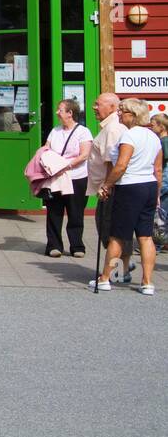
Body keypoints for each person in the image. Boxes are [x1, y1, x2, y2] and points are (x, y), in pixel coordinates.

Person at [92, 99, 162, 295]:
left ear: (133, 115)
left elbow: (121, 165)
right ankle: (147, 282)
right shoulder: (153, 137)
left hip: (129, 187)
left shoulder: (129, 136)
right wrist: (156, 194)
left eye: (123, 112)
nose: (120, 115)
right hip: (148, 186)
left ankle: (105, 278)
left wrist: (107, 185)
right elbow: (157, 169)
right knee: (145, 236)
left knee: (118, 236)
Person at [88, 92, 134, 282]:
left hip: (110, 188)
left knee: (109, 229)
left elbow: (111, 162)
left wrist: (106, 187)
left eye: (98, 104)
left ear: (112, 107)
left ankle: (113, 271)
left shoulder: (113, 129)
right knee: (116, 228)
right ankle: (124, 267)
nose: (94, 107)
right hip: (111, 186)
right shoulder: (110, 127)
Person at [40, 98, 93, 258]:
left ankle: (77, 246)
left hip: (76, 177)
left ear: (70, 113)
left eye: (60, 110)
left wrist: (65, 165)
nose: (57, 112)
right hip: (56, 177)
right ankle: (54, 245)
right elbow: (46, 148)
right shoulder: (55, 131)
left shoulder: (83, 132)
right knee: (54, 211)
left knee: (75, 212)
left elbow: (84, 155)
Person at [152, 113, 168, 224]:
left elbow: (162, 160)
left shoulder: (163, 141)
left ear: (161, 127)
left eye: (153, 125)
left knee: (162, 206)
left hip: (164, 177)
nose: (151, 128)